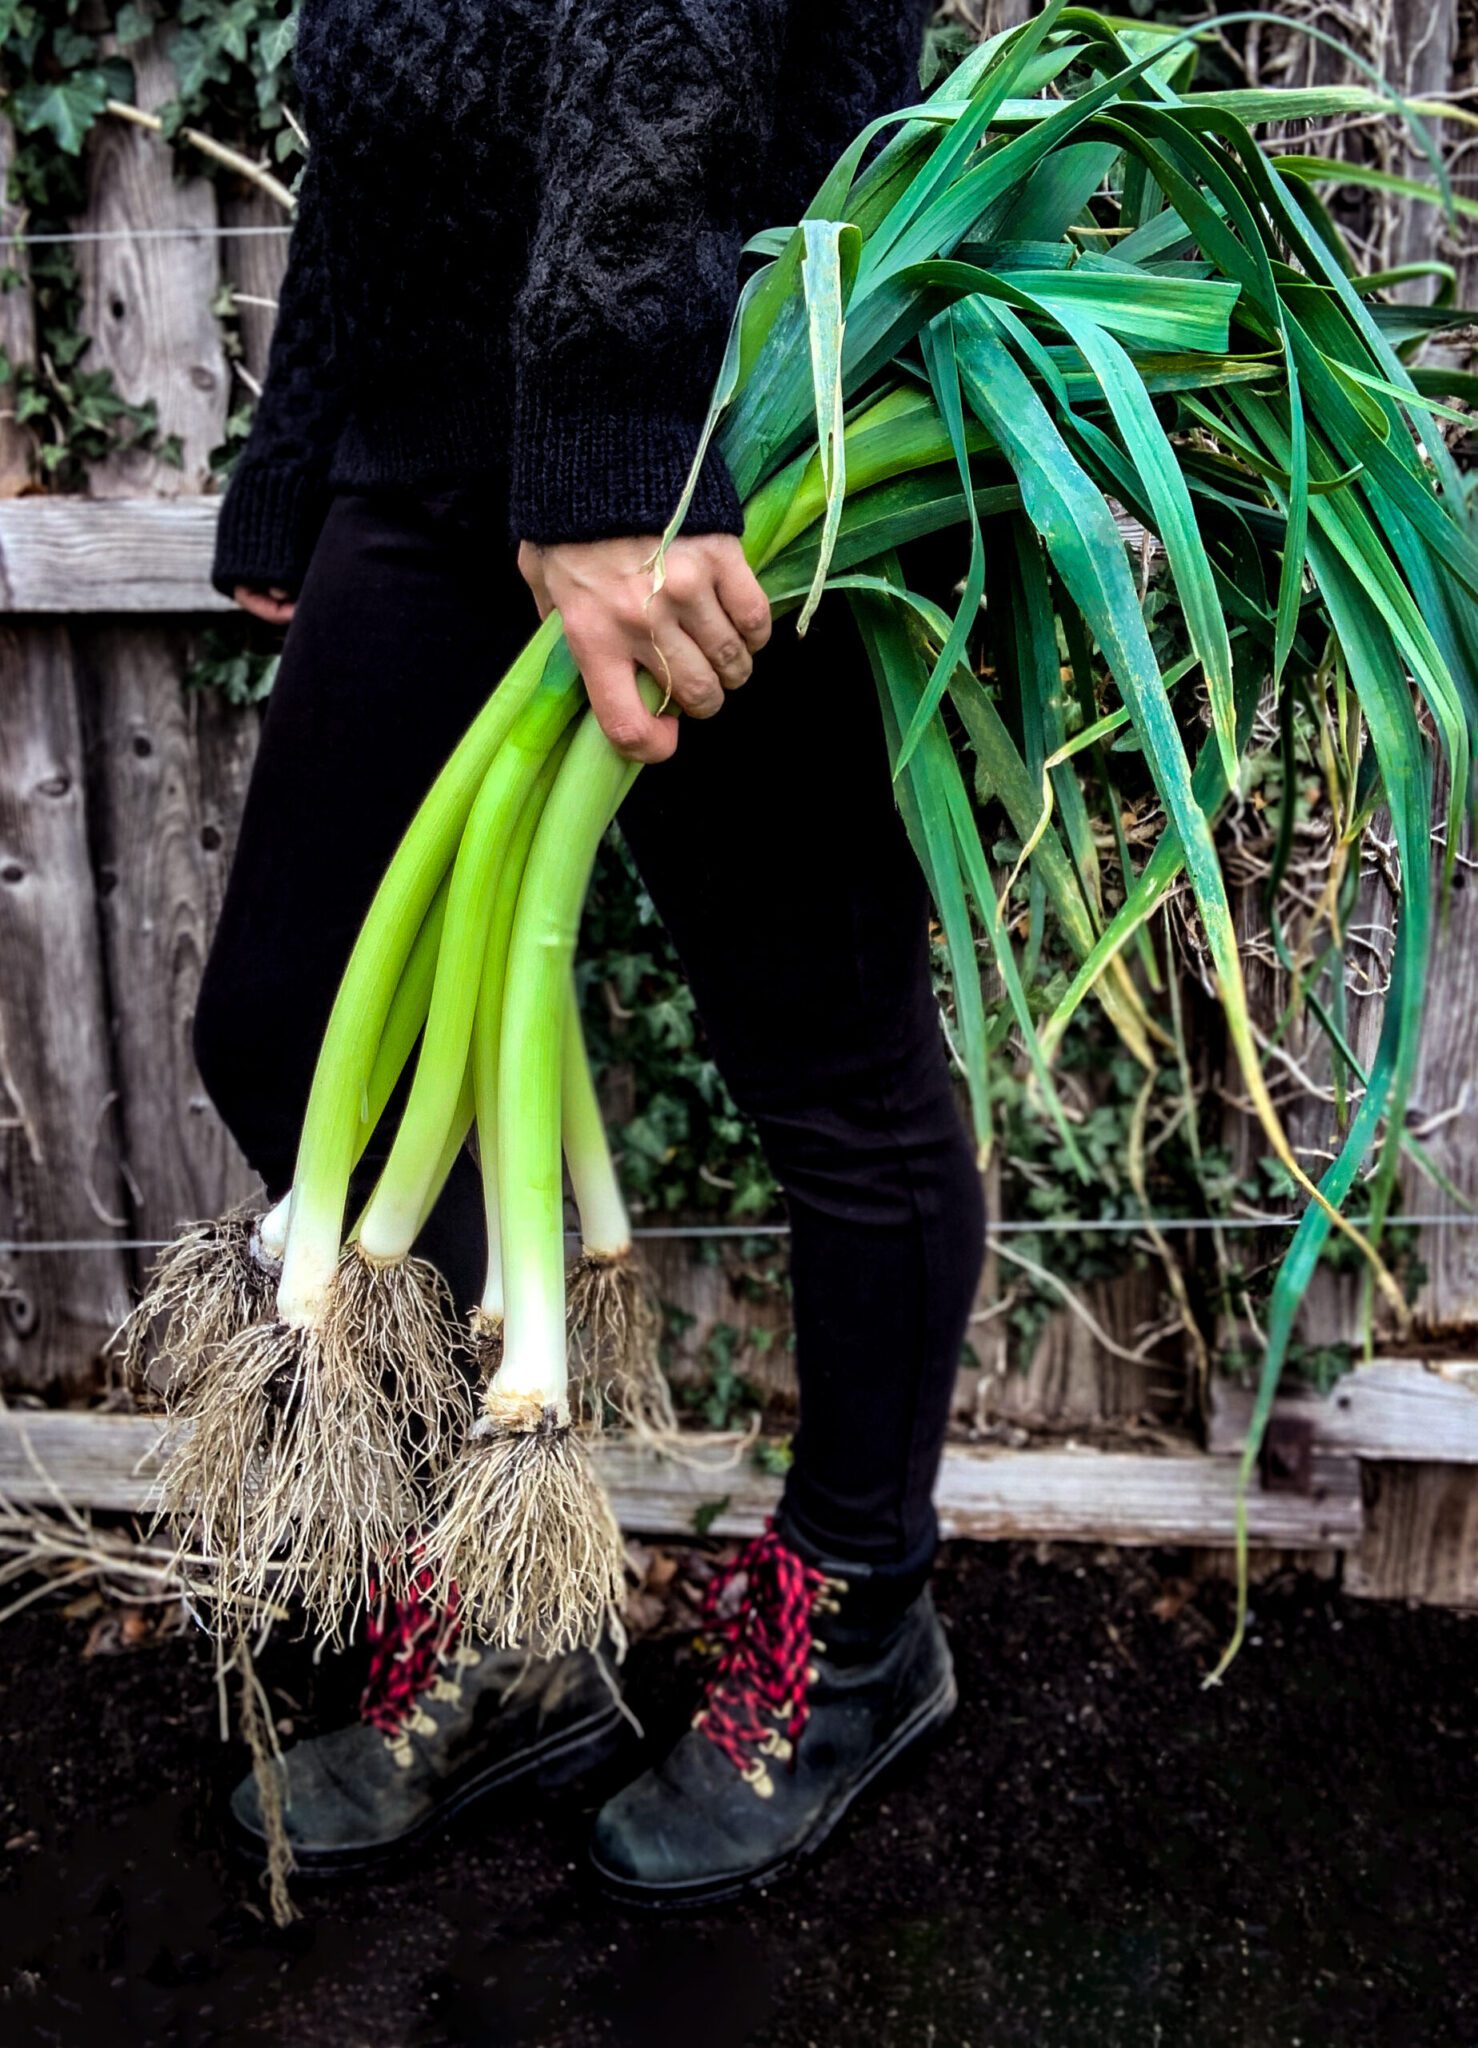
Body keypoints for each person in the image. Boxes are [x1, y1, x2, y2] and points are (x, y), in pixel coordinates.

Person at [195, 0, 985, 1907]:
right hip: (443, 442)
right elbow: (392, 87)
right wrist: (304, 439)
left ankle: (862, 1620)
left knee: (831, 1074)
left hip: (721, 439)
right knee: (283, 1030)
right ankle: (515, 1589)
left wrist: (621, 438)